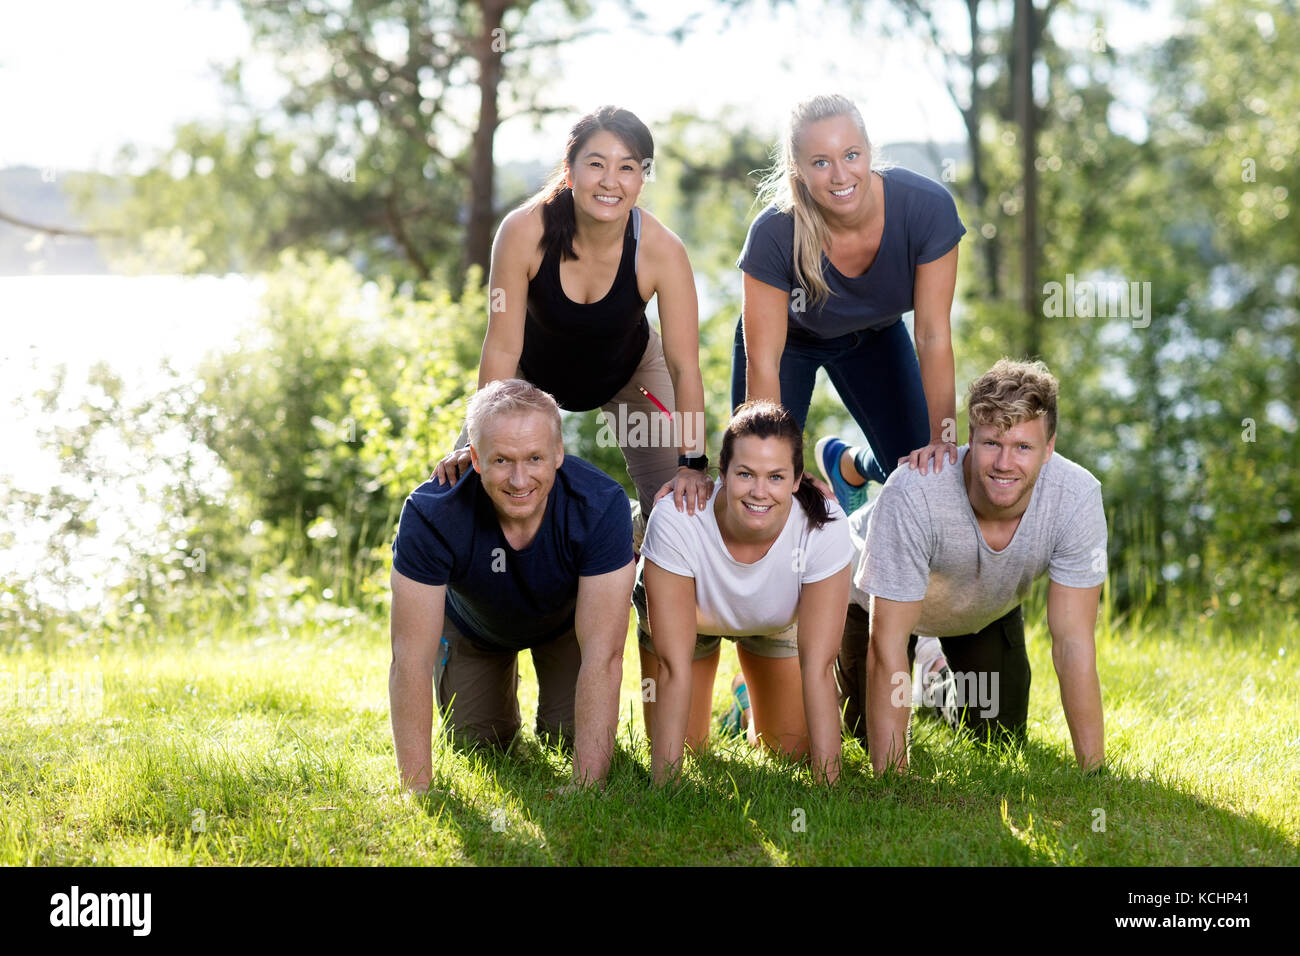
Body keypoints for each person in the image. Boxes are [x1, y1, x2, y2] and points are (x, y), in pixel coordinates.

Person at [434, 105, 712, 525]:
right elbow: (503, 345)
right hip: (529, 374)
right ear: (570, 170)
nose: (610, 181)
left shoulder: (662, 250)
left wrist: (693, 461)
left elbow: (684, 366)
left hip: (630, 374)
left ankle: (636, 534)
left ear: (642, 177)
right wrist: (479, 438)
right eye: (596, 164)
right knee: (459, 487)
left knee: (682, 511)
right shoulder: (523, 231)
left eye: (627, 167)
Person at [829, 359, 1108, 774]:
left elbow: (1073, 643)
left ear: (1049, 448)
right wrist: (893, 782)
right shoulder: (914, 492)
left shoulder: (1077, 497)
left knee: (999, 738)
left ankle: (934, 678)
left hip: (982, 609)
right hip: (875, 607)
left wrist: (1094, 771)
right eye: (992, 443)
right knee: (864, 736)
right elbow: (886, 646)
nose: (1004, 463)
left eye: (1024, 447)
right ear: (970, 438)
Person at [389, 379, 636, 793]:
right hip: (475, 627)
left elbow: (605, 655)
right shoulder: (431, 512)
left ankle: (554, 708)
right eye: (502, 460)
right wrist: (416, 788)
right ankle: (496, 687)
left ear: (558, 453)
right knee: (478, 746)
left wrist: (585, 786)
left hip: (565, 626)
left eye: (535, 458)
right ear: (475, 459)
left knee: (569, 737)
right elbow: (409, 659)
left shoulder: (601, 504)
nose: (520, 480)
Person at [732, 93, 966, 516]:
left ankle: (849, 466)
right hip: (790, 343)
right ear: (798, 171)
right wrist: (780, 469)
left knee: (925, 477)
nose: (840, 175)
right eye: (820, 162)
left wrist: (943, 440)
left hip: (875, 336)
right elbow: (764, 362)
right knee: (761, 489)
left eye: (851, 154)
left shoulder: (927, 209)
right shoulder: (773, 234)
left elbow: (932, 335)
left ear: (869, 151)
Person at [636, 402, 852, 785]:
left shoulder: (825, 527)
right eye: (745, 474)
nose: (759, 492)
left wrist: (829, 784)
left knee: (792, 751)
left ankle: (745, 708)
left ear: (798, 479)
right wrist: (662, 790)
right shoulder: (677, 518)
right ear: (722, 472)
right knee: (684, 749)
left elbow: (819, 666)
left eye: (775, 477)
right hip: (693, 615)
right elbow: (672, 668)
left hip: (774, 618)